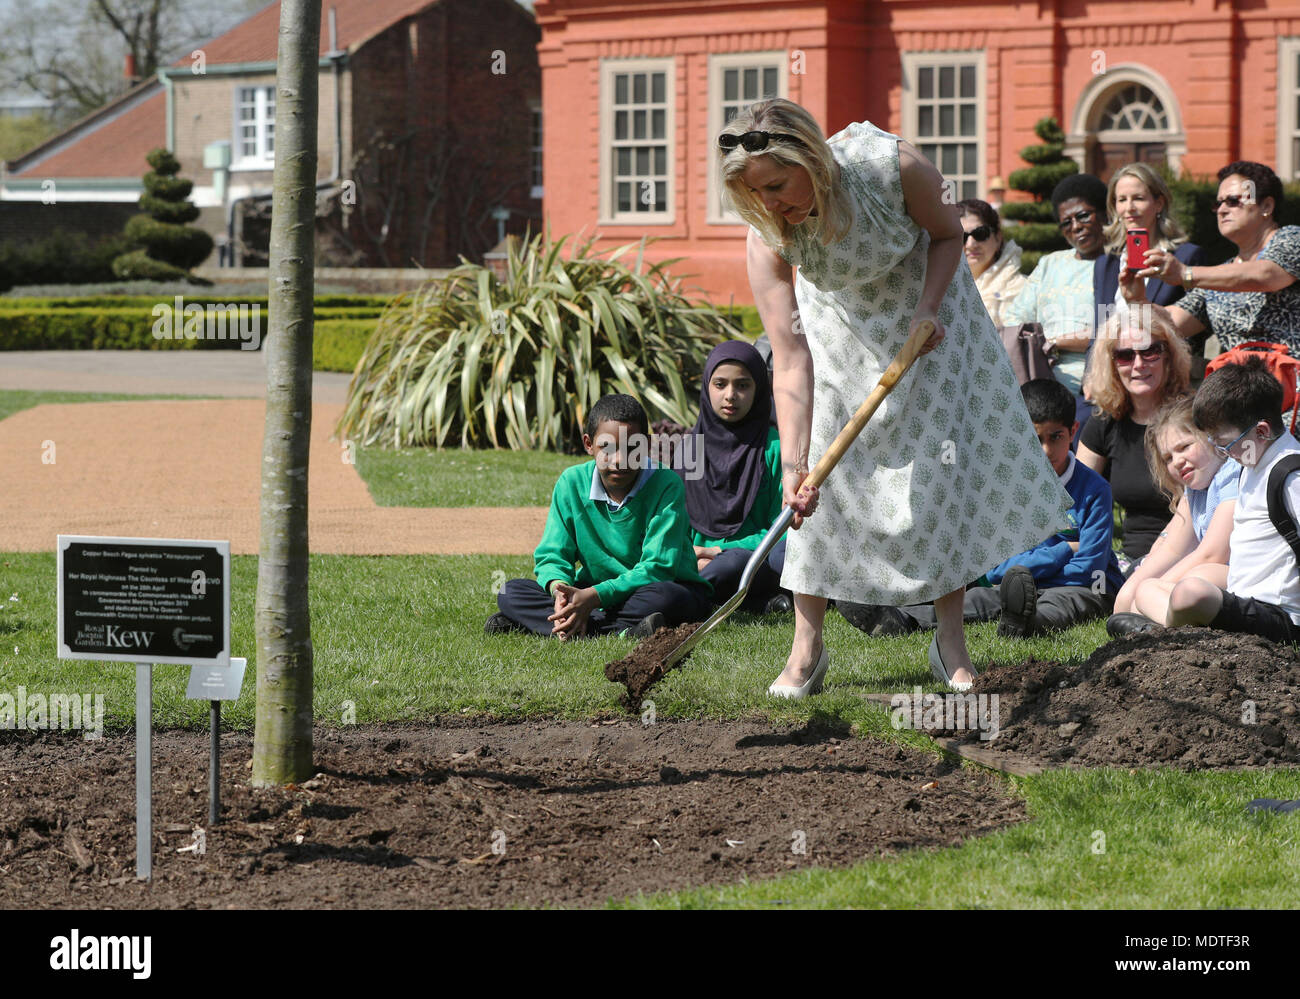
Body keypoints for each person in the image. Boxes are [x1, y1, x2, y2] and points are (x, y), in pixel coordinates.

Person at [719, 98, 1071, 696]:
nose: (771, 205)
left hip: (930, 327)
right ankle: (806, 650)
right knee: (821, 494)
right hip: (839, 339)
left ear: (812, 158)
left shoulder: (890, 166)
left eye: (777, 186)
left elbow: (946, 233)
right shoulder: (767, 236)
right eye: (756, 195)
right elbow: (791, 359)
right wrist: (796, 464)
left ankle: (950, 643)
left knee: (937, 479)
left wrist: (929, 310)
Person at [839, 379, 1123, 638]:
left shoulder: (1096, 490)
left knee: (1063, 601)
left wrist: (1027, 572)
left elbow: (1088, 571)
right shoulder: (1005, 488)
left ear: (1073, 431)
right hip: (1018, 586)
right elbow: (998, 570)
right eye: (1036, 439)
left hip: (1084, 590)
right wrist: (1064, 550)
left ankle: (1028, 622)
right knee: (978, 598)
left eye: (1056, 437)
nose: (1046, 450)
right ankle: (902, 619)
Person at [486, 393, 713, 639]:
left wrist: (594, 596)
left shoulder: (667, 484)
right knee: (510, 590)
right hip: (593, 592)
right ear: (588, 444)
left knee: (667, 596)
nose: (619, 460)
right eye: (608, 448)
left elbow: (658, 568)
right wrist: (560, 592)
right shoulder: (571, 483)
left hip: (659, 588)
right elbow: (553, 554)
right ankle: (615, 627)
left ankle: (560, 624)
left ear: (646, 445)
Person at [1161, 359, 1300, 643]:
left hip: (1281, 617)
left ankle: (1164, 638)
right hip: (1244, 598)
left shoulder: (1289, 475)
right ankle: (1168, 627)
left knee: (1190, 593)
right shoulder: (1252, 463)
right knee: (1150, 589)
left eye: (1224, 443)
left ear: (1261, 432)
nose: (1224, 453)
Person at [1121, 161, 1300, 353]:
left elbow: (1266, 274)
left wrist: (1184, 273)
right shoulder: (1219, 276)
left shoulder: (1292, 238)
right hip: (1240, 380)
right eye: (1218, 203)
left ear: (1266, 205)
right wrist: (1137, 301)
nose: (1222, 210)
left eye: (1232, 201)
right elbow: (1172, 323)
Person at [1106, 396, 1237, 635]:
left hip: (1247, 576)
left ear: (1212, 436)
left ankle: (1164, 628)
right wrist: (1127, 594)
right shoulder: (1196, 488)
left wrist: (1158, 586)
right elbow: (1171, 550)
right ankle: (1164, 625)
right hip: (1218, 582)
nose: (1177, 461)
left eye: (1184, 447)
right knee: (1143, 593)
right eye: (1168, 458)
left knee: (1194, 576)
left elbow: (1213, 553)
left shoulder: (1231, 473)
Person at [1078, 305, 1191, 567]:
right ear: (1112, 363)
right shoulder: (1104, 423)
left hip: (1185, 556)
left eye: (1150, 352)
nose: (1139, 365)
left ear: (1168, 356)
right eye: (1125, 355)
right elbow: (1076, 501)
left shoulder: (1194, 420)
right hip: (1127, 559)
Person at [684, 341, 790, 614]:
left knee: (738, 565)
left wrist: (720, 551)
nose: (730, 395)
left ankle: (704, 594)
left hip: (756, 558)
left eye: (743, 385)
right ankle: (755, 600)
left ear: (760, 390)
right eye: (720, 384)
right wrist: (692, 554)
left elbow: (782, 530)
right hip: (695, 560)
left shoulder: (774, 448)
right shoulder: (691, 448)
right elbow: (678, 523)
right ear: (707, 387)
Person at [1004, 173, 1110, 430]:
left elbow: (1117, 329)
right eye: (1066, 223)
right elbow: (1014, 322)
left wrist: (1057, 342)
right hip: (1039, 379)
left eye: (1083, 216)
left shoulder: (1119, 265)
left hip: (1094, 384)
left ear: (1105, 214)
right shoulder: (1050, 264)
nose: (1075, 227)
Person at [1092, 163, 1206, 365]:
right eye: (1121, 200)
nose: (1129, 208)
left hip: (1164, 371)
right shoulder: (1105, 263)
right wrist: (1090, 376)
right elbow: (1098, 331)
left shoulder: (1186, 257)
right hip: (1111, 373)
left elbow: (1193, 330)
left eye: (1138, 198)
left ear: (1159, 204)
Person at [957, 198, 1026, 327]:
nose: (971, 244)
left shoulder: (1022, 289)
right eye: (962, 237)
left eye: (980, 234)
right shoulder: (940, 288)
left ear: (998, 237)